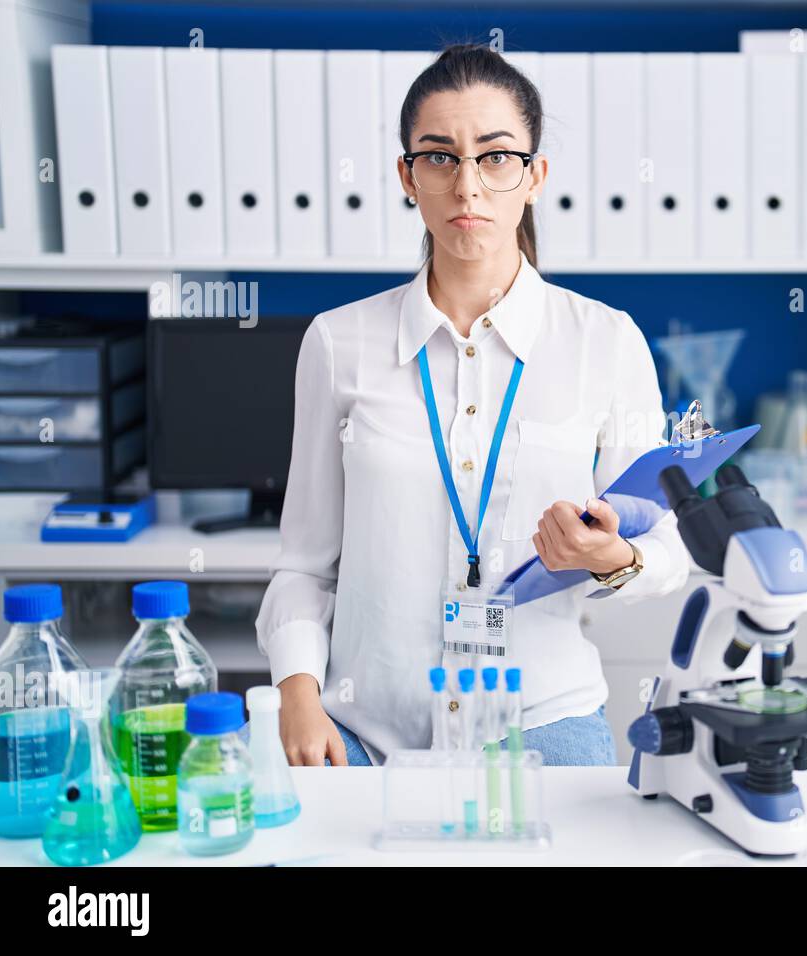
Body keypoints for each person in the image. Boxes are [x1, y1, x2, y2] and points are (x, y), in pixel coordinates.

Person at [254, 43, 690, 767]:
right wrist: (297, 694)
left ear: (534, 176)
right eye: (439, 157)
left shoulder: (606, 342)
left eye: (495, 157)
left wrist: (613, 555)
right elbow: (304, 564)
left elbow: (669, 545)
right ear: (407, 176)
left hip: (542, 718)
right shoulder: (337, 342)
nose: (468, 187)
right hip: (366, 729)